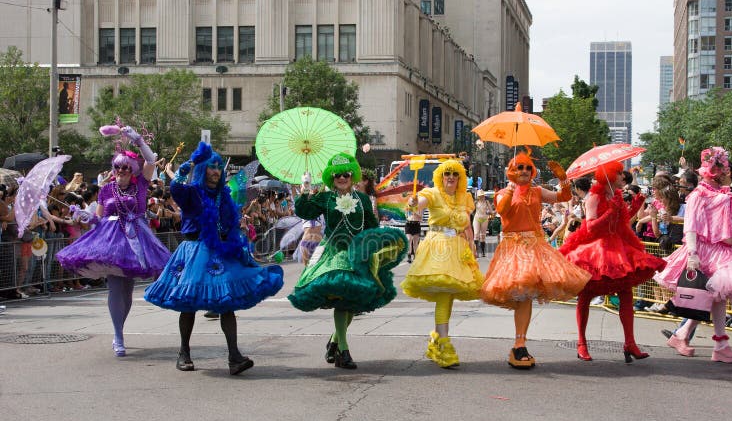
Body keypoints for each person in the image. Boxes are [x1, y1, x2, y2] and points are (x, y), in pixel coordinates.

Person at [144, 141, 284, 374]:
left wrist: (237, 243)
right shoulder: (192, 193)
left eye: (219, 167)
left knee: (226, 303)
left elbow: (229, 225)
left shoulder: (224, 196)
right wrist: (191, 162)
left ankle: (234, 356)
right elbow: (176, 186)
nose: (216, 171)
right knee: (188, 304)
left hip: (220, 250)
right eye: (212, 166)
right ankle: (184, 352)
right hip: (195, 250)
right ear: (203, 169)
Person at [654, 147, 732, 363]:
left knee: (717, 296)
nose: (729, 171)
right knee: (714, 296)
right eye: (725, 167)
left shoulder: (728, 195)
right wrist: (693, 253)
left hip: (723, 250)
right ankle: (712, 342)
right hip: (706, 249)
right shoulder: (699, 195)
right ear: (717, 171)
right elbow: (691, 226)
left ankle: (691, 337)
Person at [56, 125, 171, 357]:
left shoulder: (141, 184)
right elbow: (97, 219)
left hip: (135, 238)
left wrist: (137, 139)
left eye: (125, 168)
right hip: (110, 240)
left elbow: (151, 160)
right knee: (115, 286)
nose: (121, 171)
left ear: (132, 169)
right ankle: (118, 335)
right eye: (117, 167)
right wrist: (82, 215)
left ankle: (120, 329)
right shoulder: (106, 189)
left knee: (127, 291)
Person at [289, 153, 407, 369]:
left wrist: (377, 248)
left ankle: (334, 341)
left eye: (346, 174)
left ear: (352, 176)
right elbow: (303, 210)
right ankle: (343, 350)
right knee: (343, 298)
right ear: (330, 178)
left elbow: (371, 227)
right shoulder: (325, 198)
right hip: (334, 253)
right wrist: (305, 189)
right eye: (337, 175)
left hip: (357, 254)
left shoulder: (362, 200)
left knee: (351, 303)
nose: (342, 178)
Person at [480, 154, 590, 368]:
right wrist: (511, 188)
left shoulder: (538, 192)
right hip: (513, 249)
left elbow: (563, 197)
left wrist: (563, 179)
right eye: (519, 167)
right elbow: (503, 210)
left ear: (532, 172)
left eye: (527, 168)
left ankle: (520, 343)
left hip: (535, 247)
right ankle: (519, 345)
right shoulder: (503, 192)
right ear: (511, 170)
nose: (523, 171)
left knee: (526, 296)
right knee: (522, 296)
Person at [559, 160, 666, 363]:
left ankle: (630, 343)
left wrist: (633, 208)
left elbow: (622, 223)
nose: (622, 177)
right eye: (618, 174)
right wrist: (610, 212)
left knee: (626, 292)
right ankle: (581, 343)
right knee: (586, 294)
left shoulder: (616, 195)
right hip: (595, 250)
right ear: (608, 176)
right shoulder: (594, 196)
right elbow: (590, 228)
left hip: (617, 247)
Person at [402, 159, 483, 368]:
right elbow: (418, 203)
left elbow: (466, 225)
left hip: (457, 248)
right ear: (441, 176)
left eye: (455, 174)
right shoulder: (433, 192)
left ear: (460, 178)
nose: (451, 177)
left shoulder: (465, 197)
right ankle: (443, 345)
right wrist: (413, 202)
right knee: (445, 295)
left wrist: (472, 246)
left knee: (448, 296)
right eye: (447, 174)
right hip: (438, 247)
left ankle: (436, 340)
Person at [472, 189, 493, 257]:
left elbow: (491, 211)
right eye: (480, 196)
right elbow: (471, 210)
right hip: (477, 218)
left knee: (483, 236)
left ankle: (483, 252)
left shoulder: (486, 202)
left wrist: (489, 212)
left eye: (482, 195)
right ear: (478, 196)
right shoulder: (476, 202)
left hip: (484, 219)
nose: (481, 197)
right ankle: (476, 252)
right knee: (476, 234)